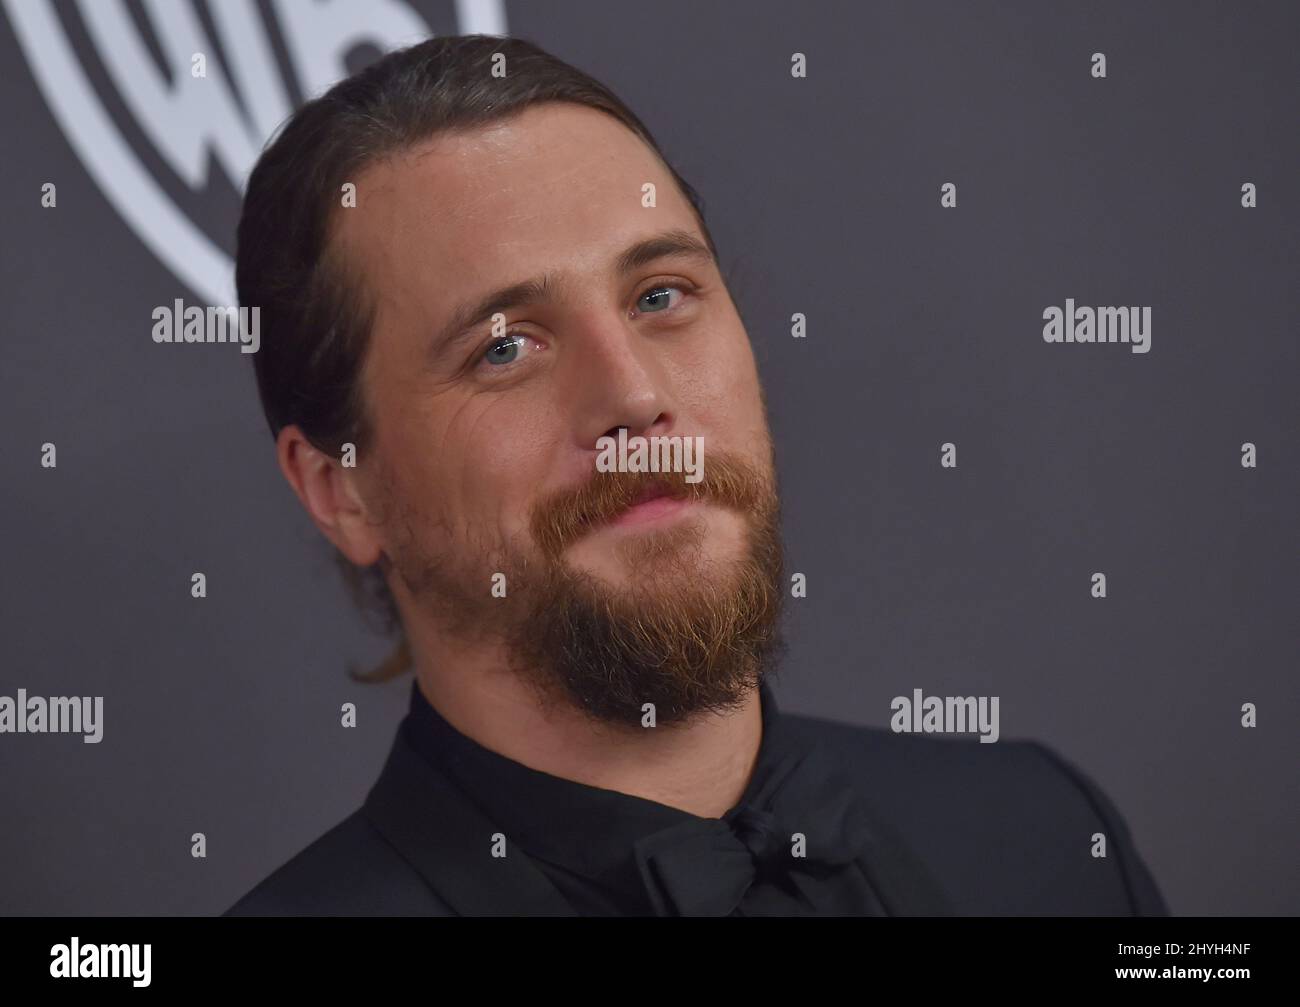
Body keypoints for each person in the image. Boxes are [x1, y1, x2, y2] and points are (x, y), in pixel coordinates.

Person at [224, 35, 1167, 917]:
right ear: (339, 488)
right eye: (505, 347)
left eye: (660, 295)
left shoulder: (1047, 837)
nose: (634, 397)